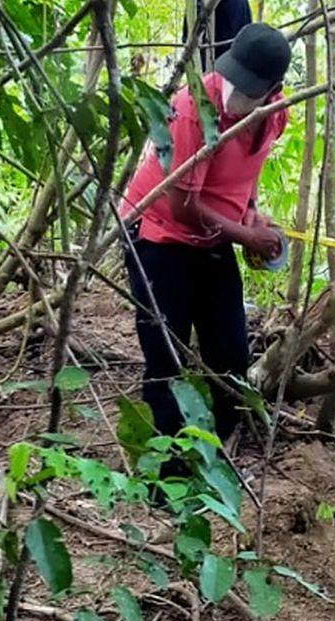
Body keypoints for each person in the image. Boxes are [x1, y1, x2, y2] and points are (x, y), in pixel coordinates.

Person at [118, 22, 291, 440]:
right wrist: (245, 236)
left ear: (273, 90)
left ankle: (222, 445)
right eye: (234, 80)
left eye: (249, 88)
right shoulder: (193, 109)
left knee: (229, 351)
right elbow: (183, 206)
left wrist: (250, 213)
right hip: (158, 232)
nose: (236, 93)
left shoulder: (275, 115)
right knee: (167, 354)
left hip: (212, 238)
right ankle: (168, 463)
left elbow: (248, 172)